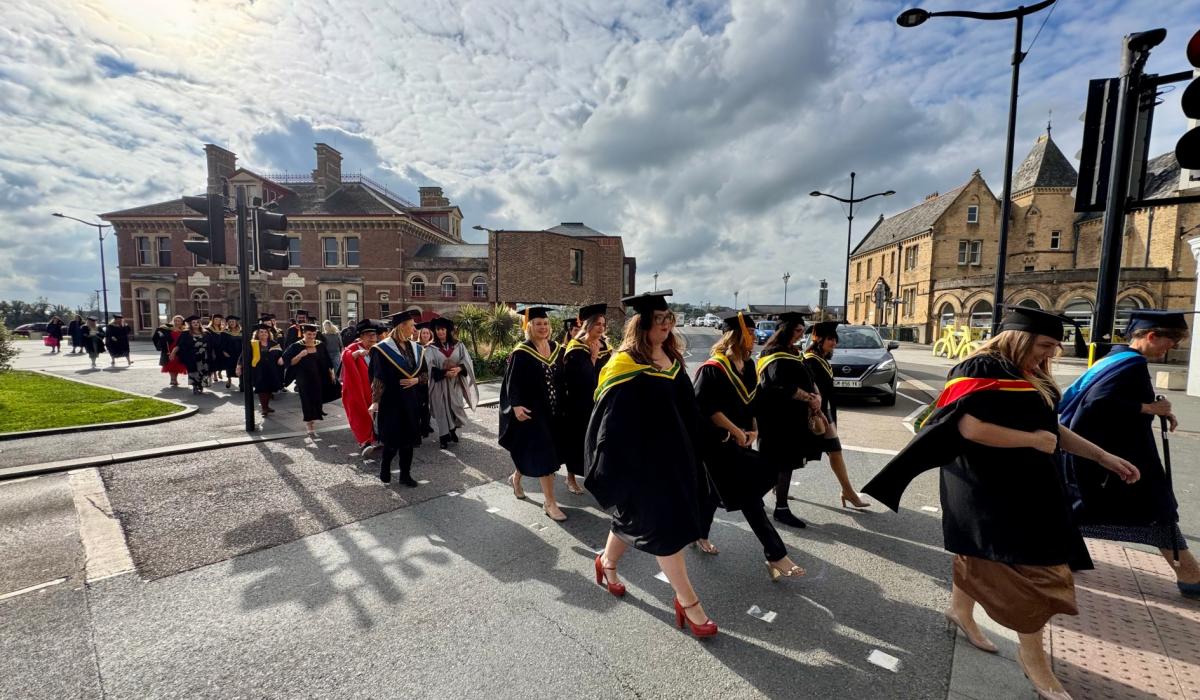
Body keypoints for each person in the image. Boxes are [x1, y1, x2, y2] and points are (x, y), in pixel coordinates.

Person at [863, 307, 1140, 700]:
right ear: (1018, 337)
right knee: (1037, 570)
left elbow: (1050, 428)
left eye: (1054, 347)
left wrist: (1102, 456)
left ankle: (959, 612)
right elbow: (969, 428)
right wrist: (1032, 441)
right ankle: (1033, 660)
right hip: (985, 485)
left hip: (1026, 483)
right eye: (1044, 345)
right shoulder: (979, 367)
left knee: (979, 555)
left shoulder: (1029, 370)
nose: (1049, 354)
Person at [584, 291, 717, 637]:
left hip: (676, 460)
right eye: (661, 320)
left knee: (631, 519)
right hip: (643, 464)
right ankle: (688, 602)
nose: (667, 326)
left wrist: (713, 438)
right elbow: (610, 422)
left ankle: (606, 562)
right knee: (666, 531)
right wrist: (612, 464)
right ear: (642, 324)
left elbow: (688, 409)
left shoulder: (671, 357)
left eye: (669, 319)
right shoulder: (624, 363)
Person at [1060, 309, 1200, 599]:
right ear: (1151, 336)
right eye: (1169, 343)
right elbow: (1096, 405)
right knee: (1157, 511)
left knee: (1079, 508)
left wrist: (1155, 406)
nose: (1170, 349)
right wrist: (1148, 409)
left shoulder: (1113, 358)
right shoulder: (1131, 364)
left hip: (1111, 455)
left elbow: (1112, 399)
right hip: (1121, 458)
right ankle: (1190, 575)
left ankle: (1058, 552)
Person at [694, 311, 805, 580]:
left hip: (741, 441)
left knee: (715, 492)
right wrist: (734, 430)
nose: (755, 338)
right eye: (751, 333)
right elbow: (706, 408)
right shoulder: (712, 369)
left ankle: (698, 533)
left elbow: (752, 402)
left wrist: (754, 429)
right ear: (737, 335)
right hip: (715, 444)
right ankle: (776, 555)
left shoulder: (749, 366)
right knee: (749, 498)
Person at [755, 311, 826, 528]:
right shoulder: (774, 354)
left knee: (783, 463)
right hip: (777, 418)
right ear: (785, 330)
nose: (800, 334)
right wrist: (808, 398)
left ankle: (759, 498)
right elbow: (778, 386)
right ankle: (780, 508)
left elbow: (808, 377)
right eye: (797, 330)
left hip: (793, 417)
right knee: (781, 463)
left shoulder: (793, 352)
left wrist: (817, 396)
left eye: (801, 330)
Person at [498, 306, 568, 522]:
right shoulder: (522, 352)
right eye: (538, 324)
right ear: (530, 326)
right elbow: (512, 383)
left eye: (546, 324)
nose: (543, 327)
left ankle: (516, 478)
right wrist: (516, 406)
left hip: (554, 412)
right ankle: (550, 502)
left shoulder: (557, 348)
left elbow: (563, 378)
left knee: (545, 454)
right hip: (533, 412)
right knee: (546, 458)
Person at [799, 320, 872, 523]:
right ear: (818, 339)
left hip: (825, 413)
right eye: (830, 339)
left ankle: (848, 491)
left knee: (835, 450)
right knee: (797, 453)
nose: (834, 343)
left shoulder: (821, 359)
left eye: (835, 340)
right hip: (814, 414)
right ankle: (776, 484)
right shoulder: (810, 360)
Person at [369, 310, 426, 485]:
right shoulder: (383, 349)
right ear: (402, 326)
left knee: (408, 441)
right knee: (392, 441)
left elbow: (425, 374)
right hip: (392, 401)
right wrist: (375, 402)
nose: (414, 329)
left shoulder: (416, 348)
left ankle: (405, 475)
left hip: (411, 401)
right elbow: (378, 378)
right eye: (412, 325)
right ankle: (385, 466)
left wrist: (416, 379)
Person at [561, 303, 610, 495]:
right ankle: (571, 478)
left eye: (603, 324)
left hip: (599, 402)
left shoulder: (606, 346)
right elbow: (581, 379)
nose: (601, 327)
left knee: (600, 440)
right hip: (578, 404)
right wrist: (594, 357)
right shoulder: (575, 348)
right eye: (597, 323)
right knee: (577, 441)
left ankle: (597, 475)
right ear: (588, 324)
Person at [425, 317, 478, 449]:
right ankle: (443, 437)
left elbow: (467, 361)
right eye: (438, 329)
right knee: (442, 410)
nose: (440, 332)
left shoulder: (458, 345)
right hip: (439, 385)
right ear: (435, 331)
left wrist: (460, 368)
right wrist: (444, 373)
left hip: (455, 383)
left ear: (447, 330)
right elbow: (428, 366)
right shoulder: (430, 348)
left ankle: (453, 430)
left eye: (443, 329)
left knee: (456, 407)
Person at [283, 322, 339, 437]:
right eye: (309, 334)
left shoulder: (320, 345)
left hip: (318, 376)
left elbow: (327, 360)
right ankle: (309, 423)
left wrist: (331, 373)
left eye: (314, 334)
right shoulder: (296, 346)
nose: (312, 337)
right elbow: (288, 362)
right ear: (303, 334)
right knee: (306, 399)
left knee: (317, 397)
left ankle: (316, 413)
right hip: (303, 377)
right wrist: (300, 356)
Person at [342, 319, 384, 457]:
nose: (372, 337)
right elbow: (346, 356)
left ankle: (378, 438)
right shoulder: (354, 348)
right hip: (359, 389)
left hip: (376, 388)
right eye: (368, 335)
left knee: (379, 414)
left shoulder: (379, 348)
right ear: (361, 337)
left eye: (373, 334)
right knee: (361, 414)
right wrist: (355, 355)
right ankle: (365, 442)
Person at [237, 323, 285, 416]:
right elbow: (243, 355)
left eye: (265, 332)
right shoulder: (253, 344)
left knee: (269, 388)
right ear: (257, 334)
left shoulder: (274, 343)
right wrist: (239, 366)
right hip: (258, 370)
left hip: (271, 369)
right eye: (261, 332)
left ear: (268, 334)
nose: (263, 334)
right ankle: (264, 408)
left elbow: (281, 354)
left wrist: (281, 358)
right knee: (262, 388)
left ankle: (266, 406)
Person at [174, 315, 212, 394]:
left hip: (204, 356)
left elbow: (211, 345)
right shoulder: (186, 333)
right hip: (191, 355)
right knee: (193, 370)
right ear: (190, 324)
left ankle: (201, 386)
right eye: (193, 322)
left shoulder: (206, 332)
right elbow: (179, 345)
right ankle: (195, 386)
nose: (196, 324)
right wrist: (173, 353)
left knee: (204, 371)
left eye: (197, 322)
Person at [415, 321, 435, 437]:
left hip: (431, 378)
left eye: (427, 333)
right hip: (419, 379)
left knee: (428, 403)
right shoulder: (415, 346)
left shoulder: (432, 347)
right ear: (420, 335)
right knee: (419, 403)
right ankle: (419, 425)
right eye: (423, 333)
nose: (426, 335)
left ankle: (426, 425)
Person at [221, 316, 243, 389]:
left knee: (240, 367)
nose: (231, 323)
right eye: (230, 322)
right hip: (230, 353)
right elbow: (222, 342)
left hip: (239, 353)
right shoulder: (225, 332)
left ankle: (241, 382)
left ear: (236, 322)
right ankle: (229, 379)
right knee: (230, 367)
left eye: (233, 322)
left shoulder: (241, 331)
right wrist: (224, 351)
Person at [206, 315, 226, 383]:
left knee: (221, 360)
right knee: (214, 361)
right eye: (216, 319)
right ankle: (214, 375)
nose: (217, 321)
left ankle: (219, 372)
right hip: (213, 347)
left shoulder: (222, 328)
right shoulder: (209, 328)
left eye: (219, 320)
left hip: (221, 347)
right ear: (213, 320)